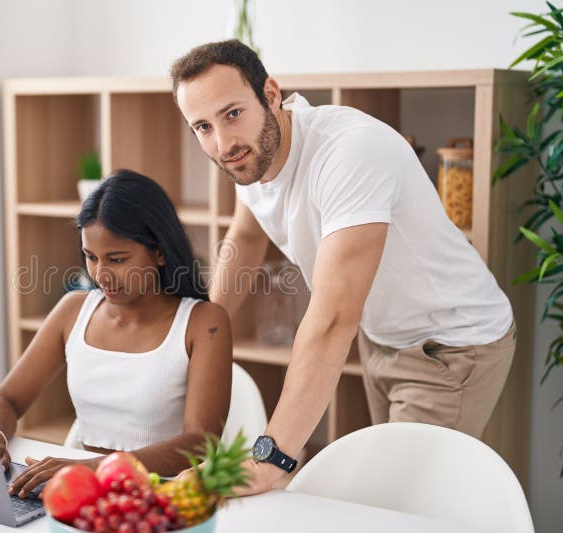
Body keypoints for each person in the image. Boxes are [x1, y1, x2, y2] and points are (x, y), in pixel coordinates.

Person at [169, 40, 516, 495]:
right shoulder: (251, 157)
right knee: (388, 498)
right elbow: (248, 238)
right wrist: (203, 338)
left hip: (450, 345)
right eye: (202, 126)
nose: (222, 142)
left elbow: (333, 321)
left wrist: (271, 460)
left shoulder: (350, 152)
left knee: (396, 506)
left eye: (232, 113)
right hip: (383, 337)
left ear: (271, 94)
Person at [0, 170, 232, 498]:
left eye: (117, 259)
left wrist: (97, 466)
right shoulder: (74, 310)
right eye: (90, 257)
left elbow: (200, 443)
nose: (101, 275)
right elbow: (7, 399)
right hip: (85, 494)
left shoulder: (203, 322)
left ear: (159, 252)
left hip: (162, 499)